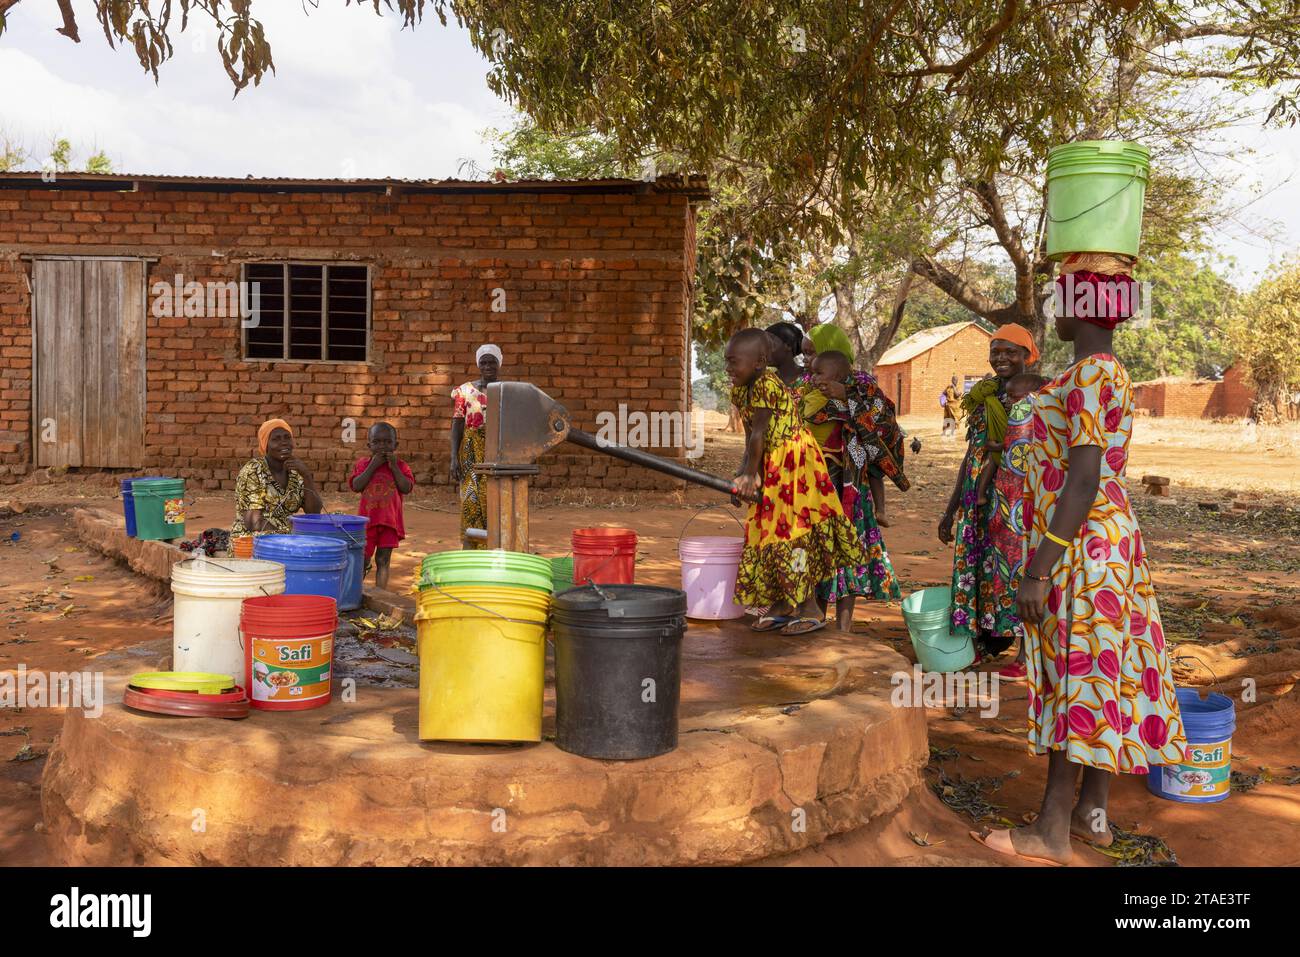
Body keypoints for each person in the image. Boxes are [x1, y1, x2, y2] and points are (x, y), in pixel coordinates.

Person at [972, 267, 1186, 866]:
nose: (1054, 308)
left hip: (1082, 546)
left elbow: (1083, 479)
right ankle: (1094, 812)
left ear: (1084, 307)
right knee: (1099, 668)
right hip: (1107, 544)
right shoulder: (1098, 371)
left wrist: (1038, 569)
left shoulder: (1092, 373)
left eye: (1061, 298)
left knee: (1076, 675)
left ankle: (1050, 830)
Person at [725, 329, 865, 636]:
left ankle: (809, 608)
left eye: (734, 362)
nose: (728, 369)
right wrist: (745, 472)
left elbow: (761, 432)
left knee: (793, 536)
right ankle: (782, 603)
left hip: (795, 463)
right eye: (726, 362)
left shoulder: (765, 383)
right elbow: (750, 437)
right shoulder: (740, 390)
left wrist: (751, 473)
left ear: (760, 362)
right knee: (767, 533)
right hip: (774, 464)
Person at [938, 327, 1036, 660]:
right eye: (995, 352)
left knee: (1014, 568)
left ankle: (1025, 651)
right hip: (976, 497)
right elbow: (972, 454)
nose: (1001, 358)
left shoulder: (1037, 396)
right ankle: (984, 641)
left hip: (1015, 499)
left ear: (1027, 355)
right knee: (979, 569)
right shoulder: (986, 396)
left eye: (1010, 352)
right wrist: (950, 511)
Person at [801, 350, 901, 628]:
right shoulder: (809, 395)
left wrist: (846, 397)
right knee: (820, 553)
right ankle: (816, 617)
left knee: (850, 556)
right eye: (813, 372)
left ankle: (843, 627)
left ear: (841, 375)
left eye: (820, 373)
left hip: (851, 491)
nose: (814, 378)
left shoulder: (863, 394)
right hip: (815, 490)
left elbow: (878, 431)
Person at [350, 422, 414, 591]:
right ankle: (356, 592)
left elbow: (405, 487)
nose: (382, 446)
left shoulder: (401, 466)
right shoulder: (363, 464)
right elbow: (357, 485)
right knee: (362, 560)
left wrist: (394, 467)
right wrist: (373, 465)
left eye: (387, 442)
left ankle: (380, 594)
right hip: (366, 524)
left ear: (395, 445)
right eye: (377, 442)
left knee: (383, 560)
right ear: (369, 445)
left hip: (389, 523)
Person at [230, 418, 323, 536]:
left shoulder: (295, 471)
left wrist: (306, 476)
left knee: (335, 519)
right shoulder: (253, 471)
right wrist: (288, 537)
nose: (284, 442)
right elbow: (253, 522)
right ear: (265, 445)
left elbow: (314, 512)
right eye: (276, 439)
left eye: (287, 437)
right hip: (255, 538)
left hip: (287, 535)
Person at [450, 344, 501, 549]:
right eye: (484, 362)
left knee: (494, 500)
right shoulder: (464, 391)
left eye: (492, 362)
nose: (488, 366)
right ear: (478, 364)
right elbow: (457, 423)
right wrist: (454, 457)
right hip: (470, 452)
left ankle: (493, 549)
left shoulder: (505, 390)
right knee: (471, 501)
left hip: (496, 452)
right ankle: (469, 551)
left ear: (499, 364)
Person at [974, 372, 1048, 507]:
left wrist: (997, 446)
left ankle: (981, 493)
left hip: (1024, 471)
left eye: (1013, 397)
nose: (1008, 400)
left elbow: (1018, 444)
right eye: (1007, 395)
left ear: (1030, 397)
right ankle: (981, 493)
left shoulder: (1031, 415)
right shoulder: (1011, 414)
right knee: (992, 459)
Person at [764, 321, 807, 387]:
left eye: (769, 344)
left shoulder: (811, 377)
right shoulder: (767, 381)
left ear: (788, 345)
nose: (764, 349)